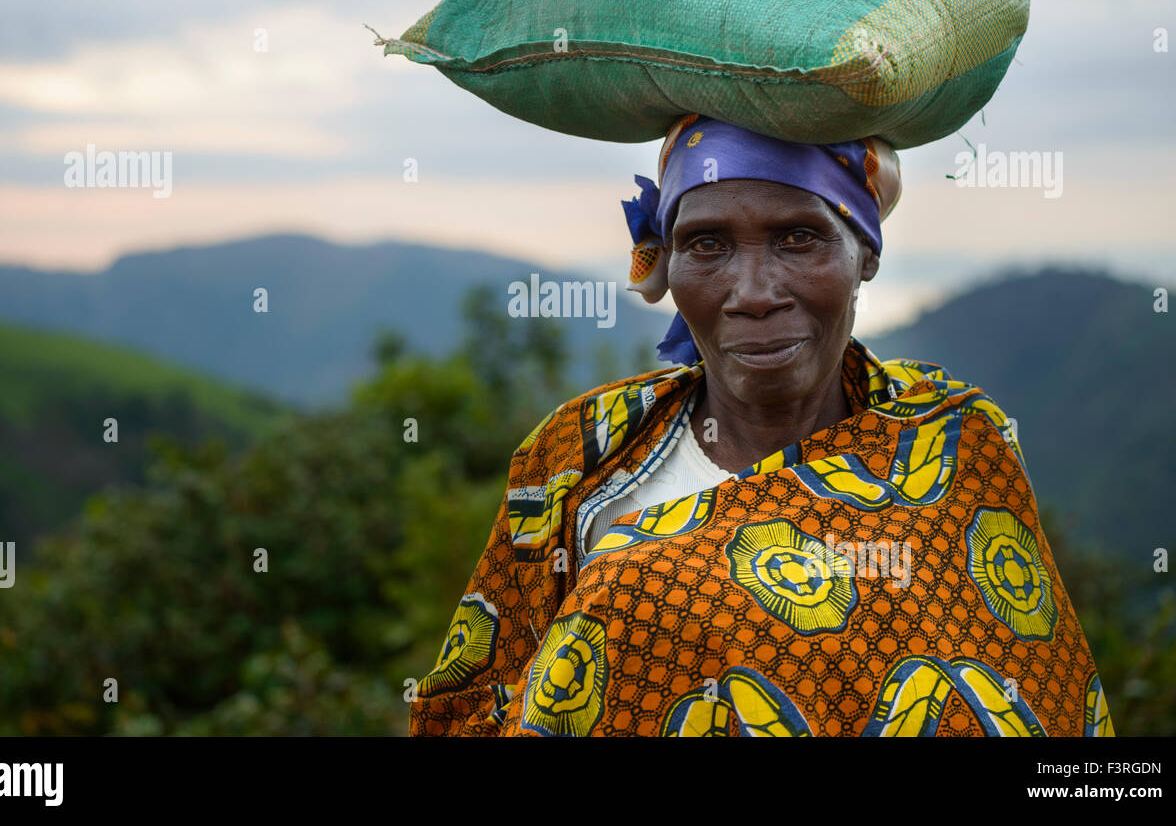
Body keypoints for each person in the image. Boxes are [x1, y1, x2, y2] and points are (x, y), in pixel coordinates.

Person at [408, 113, 1113, 737]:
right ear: (668, 263)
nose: (752, 293)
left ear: (864, 252)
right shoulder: (577, 457)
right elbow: (471, 705)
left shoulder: (958, 442)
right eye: (708, 244)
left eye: (799, 237)